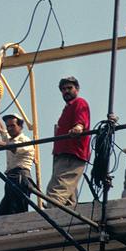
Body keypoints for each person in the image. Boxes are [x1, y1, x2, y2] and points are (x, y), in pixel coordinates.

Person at [46, 76, 90, 208]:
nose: (66, 91)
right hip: (63, 155)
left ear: (77, 89)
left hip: (71, 155)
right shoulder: (67, 108)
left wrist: (78, 128)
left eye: (69, 88)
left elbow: (81, 120)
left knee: (56, 192)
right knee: (68, 196)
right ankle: (68, 220)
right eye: (63, 89)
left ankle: (49, 220)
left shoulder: (79, 103)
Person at [0, 110, 35, 216]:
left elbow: (14, 148)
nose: (9, 129)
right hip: (11, 178)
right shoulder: (9, 139)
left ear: (20, 127)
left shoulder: (25, 140)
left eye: (12, 126)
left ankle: (20, 231)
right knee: (1, 214)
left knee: (17, 210)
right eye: (8, 126)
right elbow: (0, 129)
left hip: (21, 178)